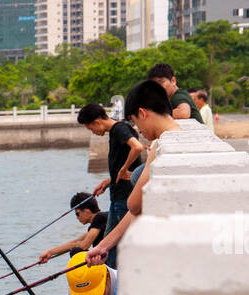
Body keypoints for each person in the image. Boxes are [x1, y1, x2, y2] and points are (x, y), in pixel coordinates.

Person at [86, 80, 182, 265]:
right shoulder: (176, 135)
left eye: (137, 122)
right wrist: (103, 245)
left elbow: (135, 204)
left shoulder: (161, 145)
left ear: (143, 113)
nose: (139, 130)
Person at [76, 103, 145, 266]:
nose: (93, 132)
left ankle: (115, 278)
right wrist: (108, 181)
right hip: (117, 194)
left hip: (124, 196)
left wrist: (124, 169)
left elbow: (137, 147)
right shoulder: (116, 131)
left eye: (91, 129)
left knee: (118, 243)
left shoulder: (119, 129)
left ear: (97, 122)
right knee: (108, 242)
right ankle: (111, 276)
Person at [38, 192, 108, 264]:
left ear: (87, 211)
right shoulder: (98, 222)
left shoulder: (100, 218)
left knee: (76, 251)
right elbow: (75, 241)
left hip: (111, 259)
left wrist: (74, 246)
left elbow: (84, 246)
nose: (77, 218)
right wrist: (50, 252)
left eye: (77, 214)